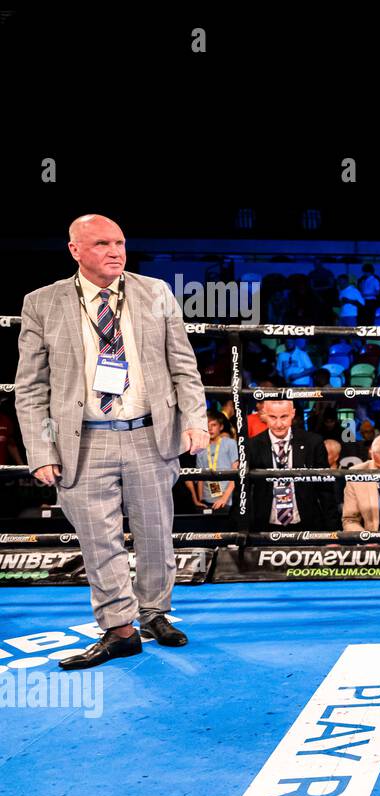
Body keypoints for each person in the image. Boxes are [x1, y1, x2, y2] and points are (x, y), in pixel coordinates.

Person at [14, 214, 208, 668]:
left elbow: (184, 365)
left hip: (148, 433)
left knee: (156, 533)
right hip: (83, 442)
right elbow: (31, 387)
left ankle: (155, 613)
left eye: (120, 242)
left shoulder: (155, 292)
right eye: (102, 243)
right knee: (99, 542)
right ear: (75, 250)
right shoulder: (42, 303)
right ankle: (120, 629)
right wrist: (41, 451)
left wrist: (194, 419)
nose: (116, 251)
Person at [246, 398, 340, 531]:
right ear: (264, 415)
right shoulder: (252, 446)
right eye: (273, 417)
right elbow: (243, 491)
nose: (279, 424)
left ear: (293, 414)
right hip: (264, 525)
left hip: (307, 524)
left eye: (284, 417)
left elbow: (325, 490)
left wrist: (333, 534)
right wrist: (239, 531)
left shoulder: (313, 443)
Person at [189, 410, 239, 511]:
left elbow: (236, 474)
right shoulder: (201, 447)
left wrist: (224, 498)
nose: (210, 428)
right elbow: (200, 477)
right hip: (207, 500)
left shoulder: (230, 444)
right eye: (207, 425)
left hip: (227, 499)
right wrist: (200, 500)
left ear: (221, 427)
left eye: (214, 425)